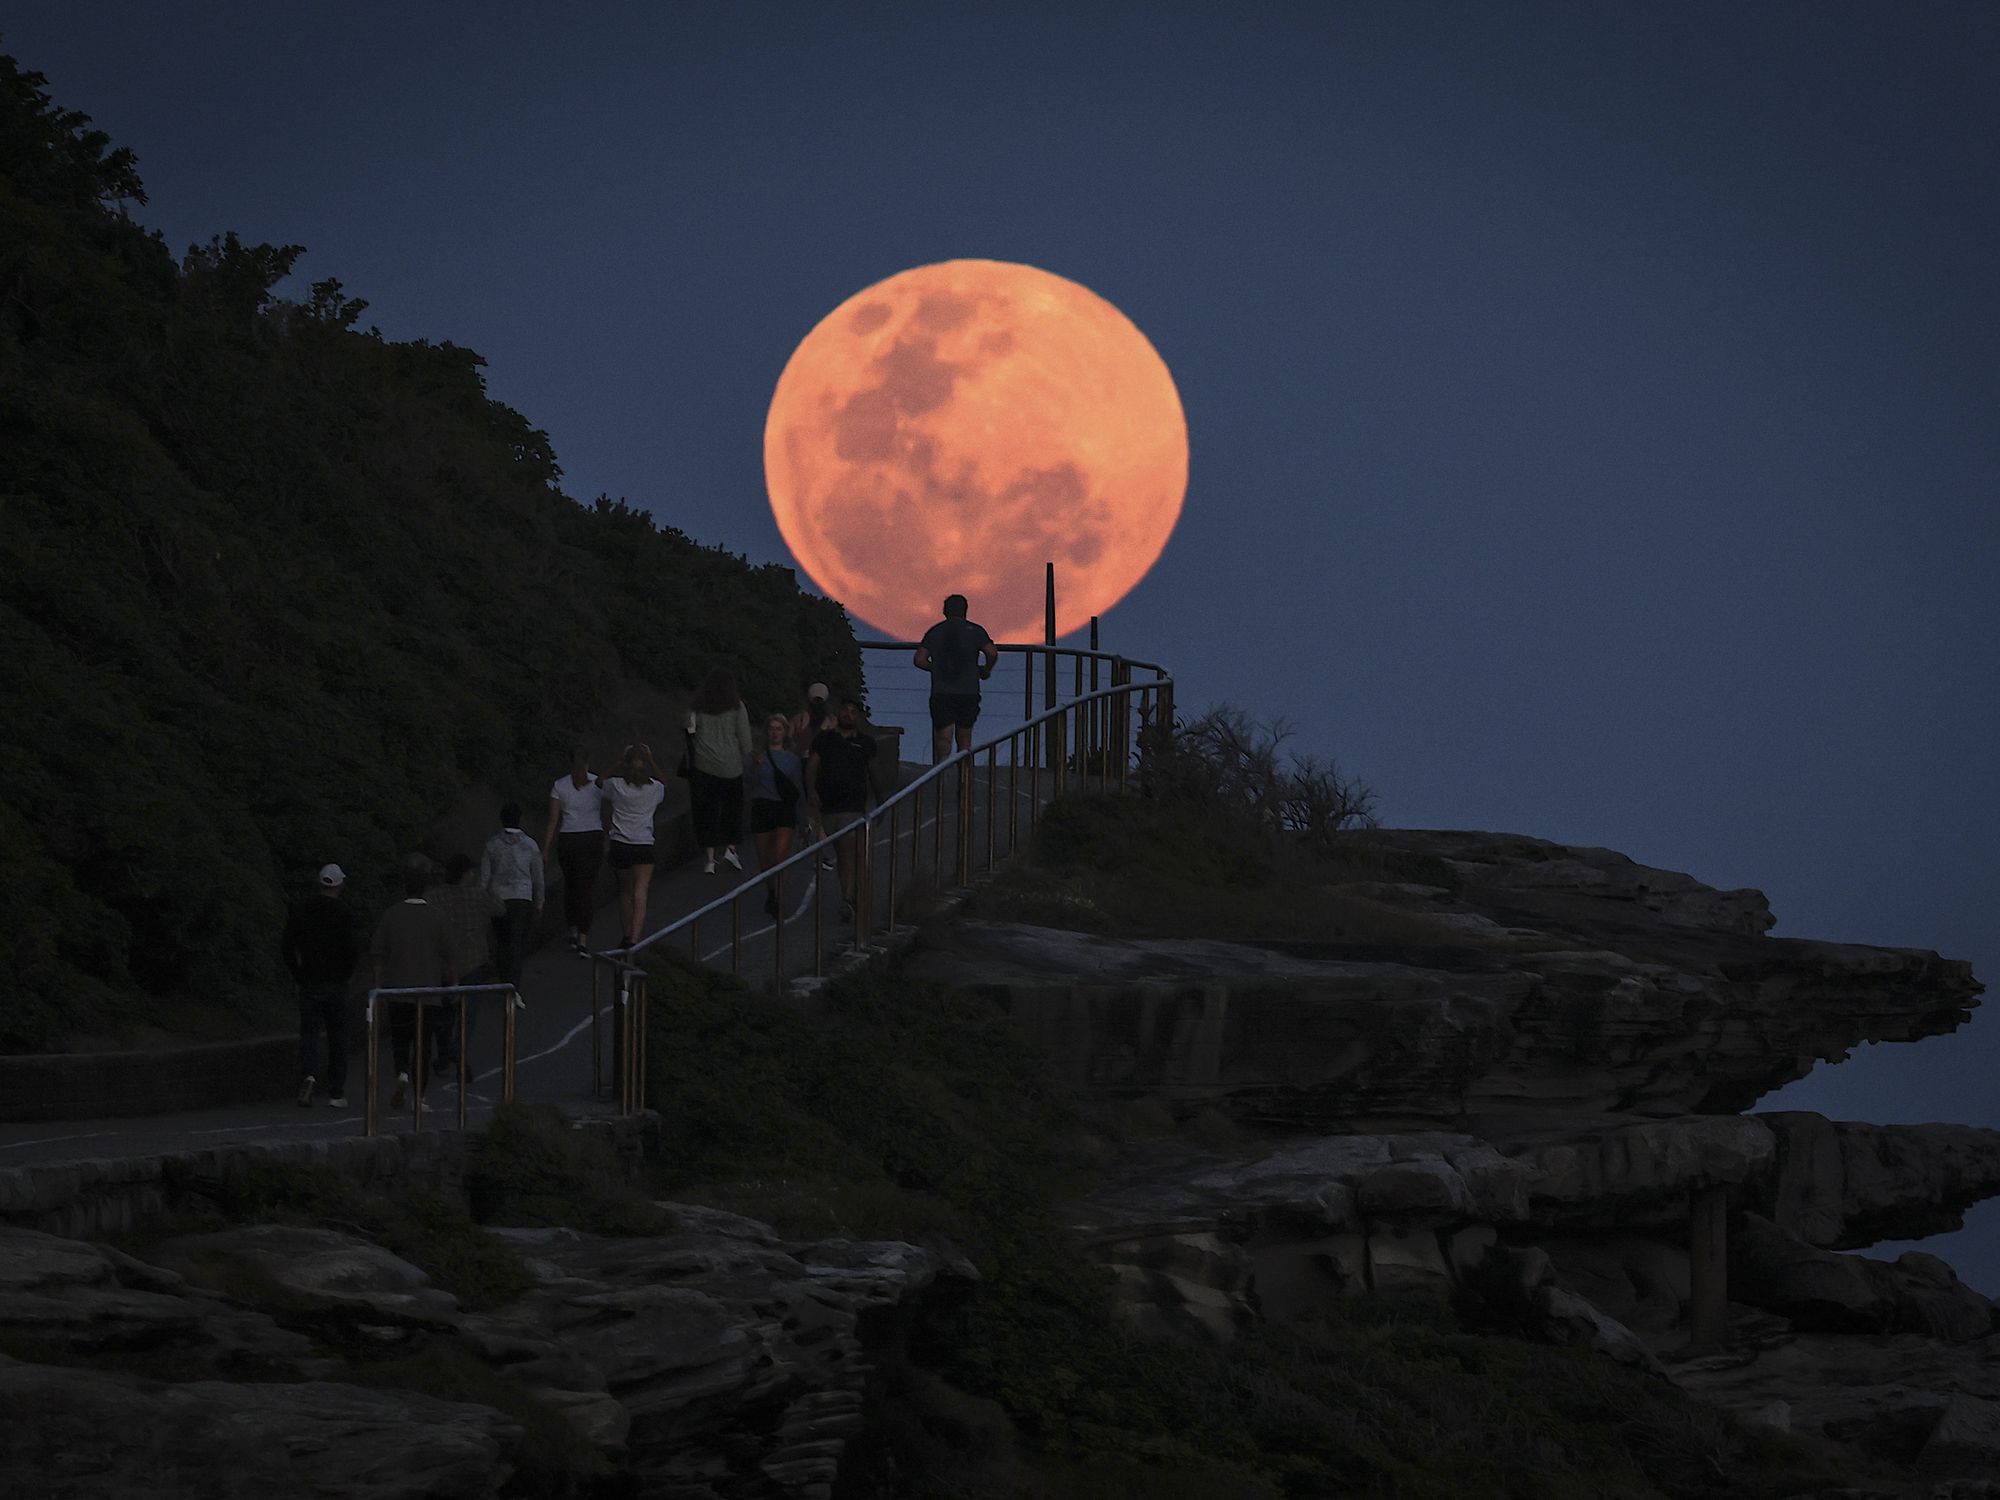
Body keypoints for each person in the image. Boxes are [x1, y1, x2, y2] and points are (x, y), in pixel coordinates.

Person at [369, 859, 455, 1110]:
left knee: (400, 1039)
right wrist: (454, 984)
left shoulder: (391, 915)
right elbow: (450, 956)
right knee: (423, 1044)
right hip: (428, 991)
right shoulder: (437, 917)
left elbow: (377, 953)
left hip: (397, 990)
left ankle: (402, 1075)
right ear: (425, 887)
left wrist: (378, 983)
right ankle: (420, 1097)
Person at [281, 862, 360, 1109]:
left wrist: (298, 972)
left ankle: (309, 1076)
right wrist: (346, 973)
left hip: (310, 980)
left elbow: (287, 944)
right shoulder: (345, 913)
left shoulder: (303, 909)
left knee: (310, 1034)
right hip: (336, 982)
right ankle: (336, 1091)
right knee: (338, 1037)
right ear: (340, 885)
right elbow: (352, 949)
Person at [425, 853, 496, 1080]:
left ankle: (445, 1053)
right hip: (473, 961)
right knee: (468, 1014)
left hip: (443, 964)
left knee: (444, 1014)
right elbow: (499, 908)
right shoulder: (477, 896)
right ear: (465, 875)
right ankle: (459, 1052)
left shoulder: (433, 897)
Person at [807, 696, 877, 920]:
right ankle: (851, 898)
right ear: (838, 714)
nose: (848, 714)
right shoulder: (825, 739)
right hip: (830, 806)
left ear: (858, 717)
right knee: (845, 852)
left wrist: (882, 798)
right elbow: (812, 767)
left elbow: (874, 772)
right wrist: (811, 792)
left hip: (855, 805)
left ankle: (851, 898)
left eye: (853, 711)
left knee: (854, 851)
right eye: (844, 710)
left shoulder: (865, 743)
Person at [685, 669, 755, 875]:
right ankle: (731, 850)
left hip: (703, 765)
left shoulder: (697, 706)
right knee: (732, 810)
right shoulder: (737, 706)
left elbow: (689, 730)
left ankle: (709, 859)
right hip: (731, 766)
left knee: (707, 813)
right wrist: (748, 761)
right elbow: (744, 738)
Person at [914, 593, 1000, 762]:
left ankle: (941, 777)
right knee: (965, 740)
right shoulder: (975, 630)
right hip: (968, 690)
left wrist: (936, 668)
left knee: (943, 739)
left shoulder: (935, 631)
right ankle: (964, 781)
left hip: (942, 691)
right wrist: (985, 670)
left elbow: (919, 660)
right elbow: (991, 652)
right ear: (965, 611)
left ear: (944, 611)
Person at [543, 747, 607, 956]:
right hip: (592, 839)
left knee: (571, 886)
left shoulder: (559, 785)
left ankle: (571, 929)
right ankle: (583, 937)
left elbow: (553, 820)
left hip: (569, 839)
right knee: (587, 888)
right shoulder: (598, 784)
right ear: (589, 761)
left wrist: (545, 848)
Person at [603, 742, 666, 947]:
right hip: (643, 843)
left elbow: (599, 782)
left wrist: (619, 761)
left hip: (620, 843)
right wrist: (652, 759)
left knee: (624, 892)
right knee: (641, 892)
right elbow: (664, 783)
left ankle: (626, 932)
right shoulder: (654, 789)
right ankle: (635, 938)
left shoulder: (616, 786)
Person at [480, 802, 544, 996]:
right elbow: (538, 878)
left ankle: (503, 980)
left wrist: (481, 901)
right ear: (520, 819)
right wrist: (539, 902)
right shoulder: (530, 845)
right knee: (517, 943)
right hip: (522, 898)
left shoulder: (492, 844)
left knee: (502, 941)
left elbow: (484, 877)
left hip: (498, 897)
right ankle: (513, 985)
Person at [749, 712, 805, 918]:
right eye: (771, 729)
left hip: (783, 809)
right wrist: (755, 767)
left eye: (778, 729)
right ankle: (772, 892)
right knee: (765, 860)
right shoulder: (755, 756)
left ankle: (779, 898)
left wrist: (803, 820)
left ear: (784, 733)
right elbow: (748, 784)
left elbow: (798, 790)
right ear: (766, 732)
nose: (774, 733)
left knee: (780, 857)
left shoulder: (791, 760)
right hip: (762, 807)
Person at [789, 682, 838, 864]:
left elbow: (789, 741)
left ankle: (805, 832)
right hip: (823, 766)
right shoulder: (831, 721)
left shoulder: (800, 719)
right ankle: (822, 851)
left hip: (802, 763)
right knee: (820, 810)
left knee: (804, 804)